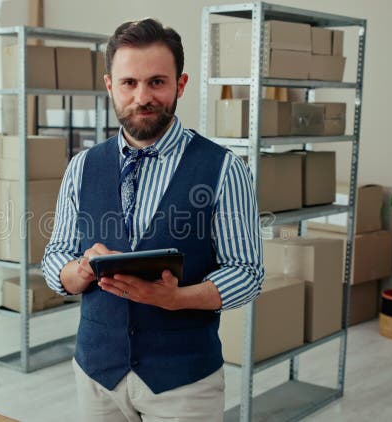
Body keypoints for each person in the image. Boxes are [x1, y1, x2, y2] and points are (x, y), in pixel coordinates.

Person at [42, 18, 264, 422]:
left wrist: (177, 299)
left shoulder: (224, 169)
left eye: (157, 82)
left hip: (184, 383)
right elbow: (55, 253)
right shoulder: (82, 167)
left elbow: (247, 273)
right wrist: (79, 270)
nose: (142, 96)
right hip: (96, 375)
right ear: (111, 86)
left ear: (180, 85)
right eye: (129, 83)